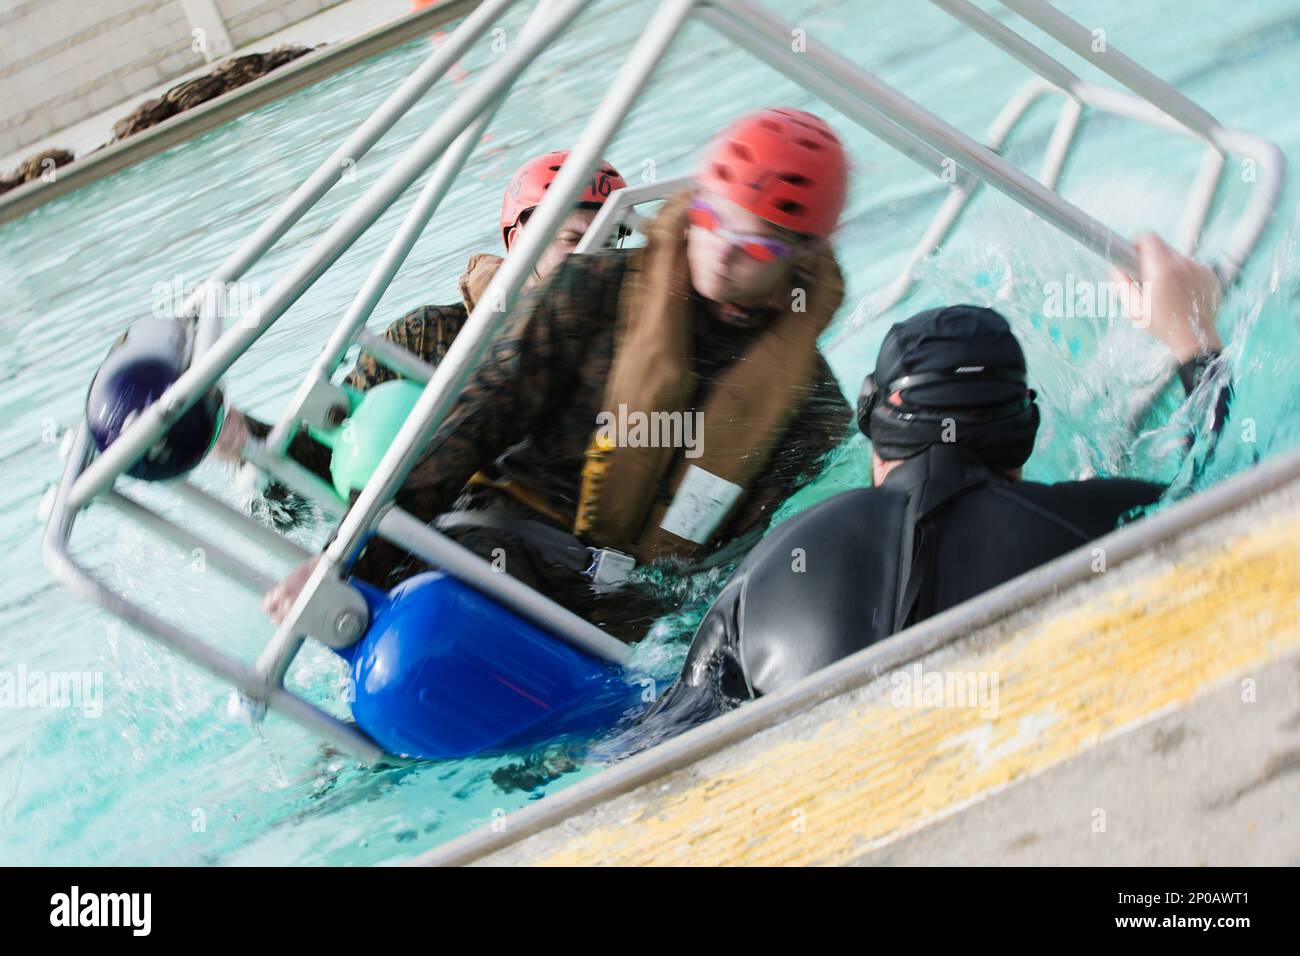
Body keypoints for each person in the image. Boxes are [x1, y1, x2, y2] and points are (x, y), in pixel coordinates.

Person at [263, 107, 858, 642]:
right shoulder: (586, 294)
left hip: (636, 607)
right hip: (500, 547)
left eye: (754, 248)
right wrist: (341, 560)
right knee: (438, 638)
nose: (721, 252)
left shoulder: (813, 406)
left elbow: (751, 551)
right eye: (710, 220)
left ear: (799, 258)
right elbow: (464, 430)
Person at [652, 232, 1232, 720]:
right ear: (1022, 432)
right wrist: (1195, 337)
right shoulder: (1097, 521)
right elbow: (1238, 500)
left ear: (873, 426)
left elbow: (663, 751)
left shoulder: (763, 575)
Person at [214, 150, 629, 463]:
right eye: (573, 241)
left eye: (608, 243)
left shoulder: (638, 338)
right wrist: (243, 439)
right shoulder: (426, 337)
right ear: (518, 242)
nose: (593, 261)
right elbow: (332, 453)